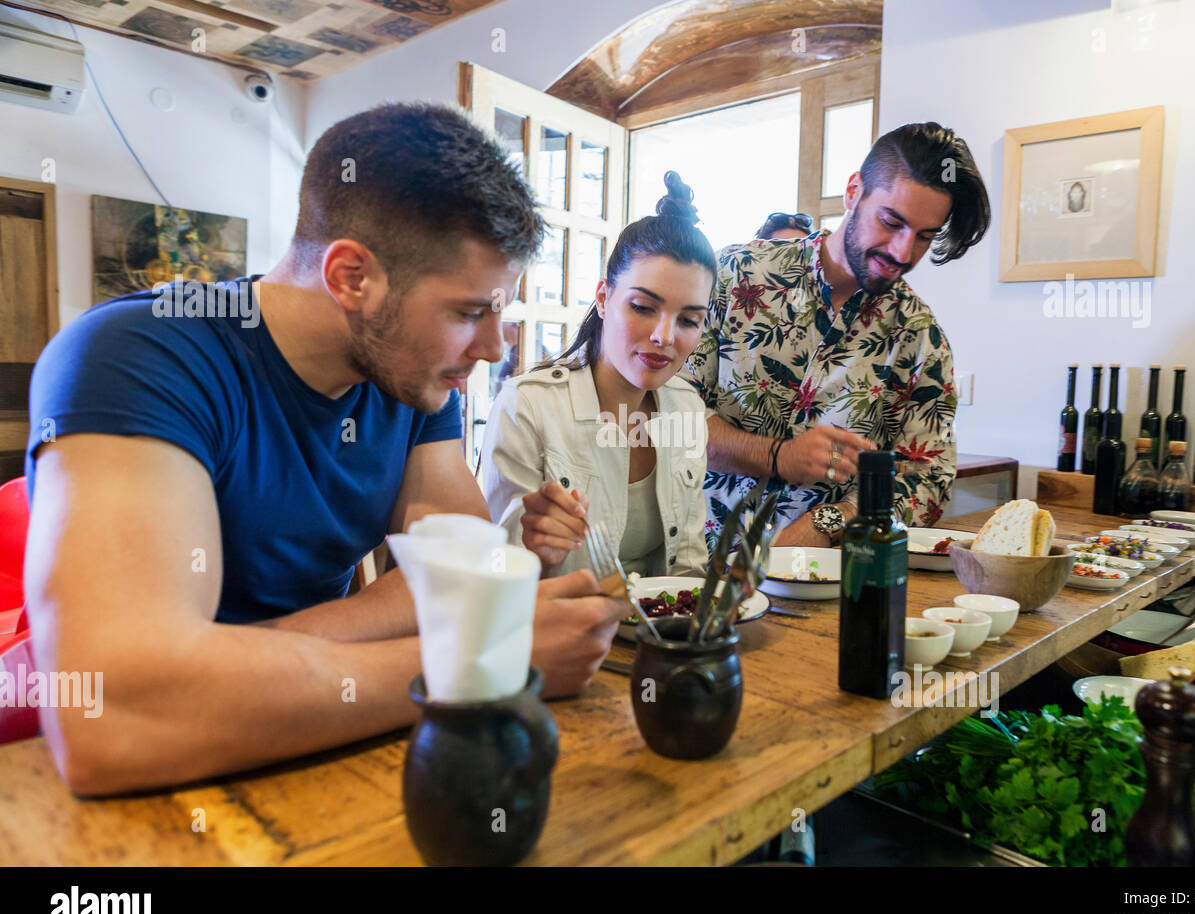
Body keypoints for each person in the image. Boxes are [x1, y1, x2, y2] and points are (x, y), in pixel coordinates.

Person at [23, 103, 628, 796]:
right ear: (350, 278)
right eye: (469, 313)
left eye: (500, 313)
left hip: (328, 754)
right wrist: (481, 666)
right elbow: (114, 712)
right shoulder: (135, 356)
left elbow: (465, 583)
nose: (494, 350)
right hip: (158, 791)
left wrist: (240, 652)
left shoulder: (413, 378)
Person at [682, 122, 991, 547]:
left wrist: (828, 524)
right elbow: (668, 416)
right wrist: (778, 456)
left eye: (924, 236)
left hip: (828, 585)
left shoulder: (919, 338)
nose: (903, 252)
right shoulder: (731, 277)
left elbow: (928, 481)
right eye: (891, 222)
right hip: (694, 569)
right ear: (853, 192)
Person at [482, 172, 713, 579]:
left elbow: (690, 568)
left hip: (664, 636)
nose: (663, 337)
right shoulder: (528, 408)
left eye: (689, 320)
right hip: (563, 631)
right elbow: (495, 573)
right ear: (604, 299)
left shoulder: (687, 407)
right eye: (643, 307)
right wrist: (538, 553)